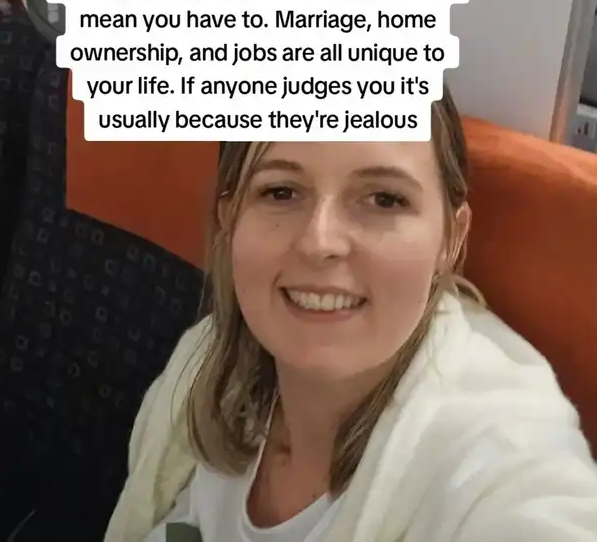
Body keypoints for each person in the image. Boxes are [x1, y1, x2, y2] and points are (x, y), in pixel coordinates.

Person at [104, 88, 597, 542]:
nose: (319, 242)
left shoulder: (500, 452)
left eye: (384, 199)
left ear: (451, 238)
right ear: (229, 219)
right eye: (281, 191)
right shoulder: (207, 360)